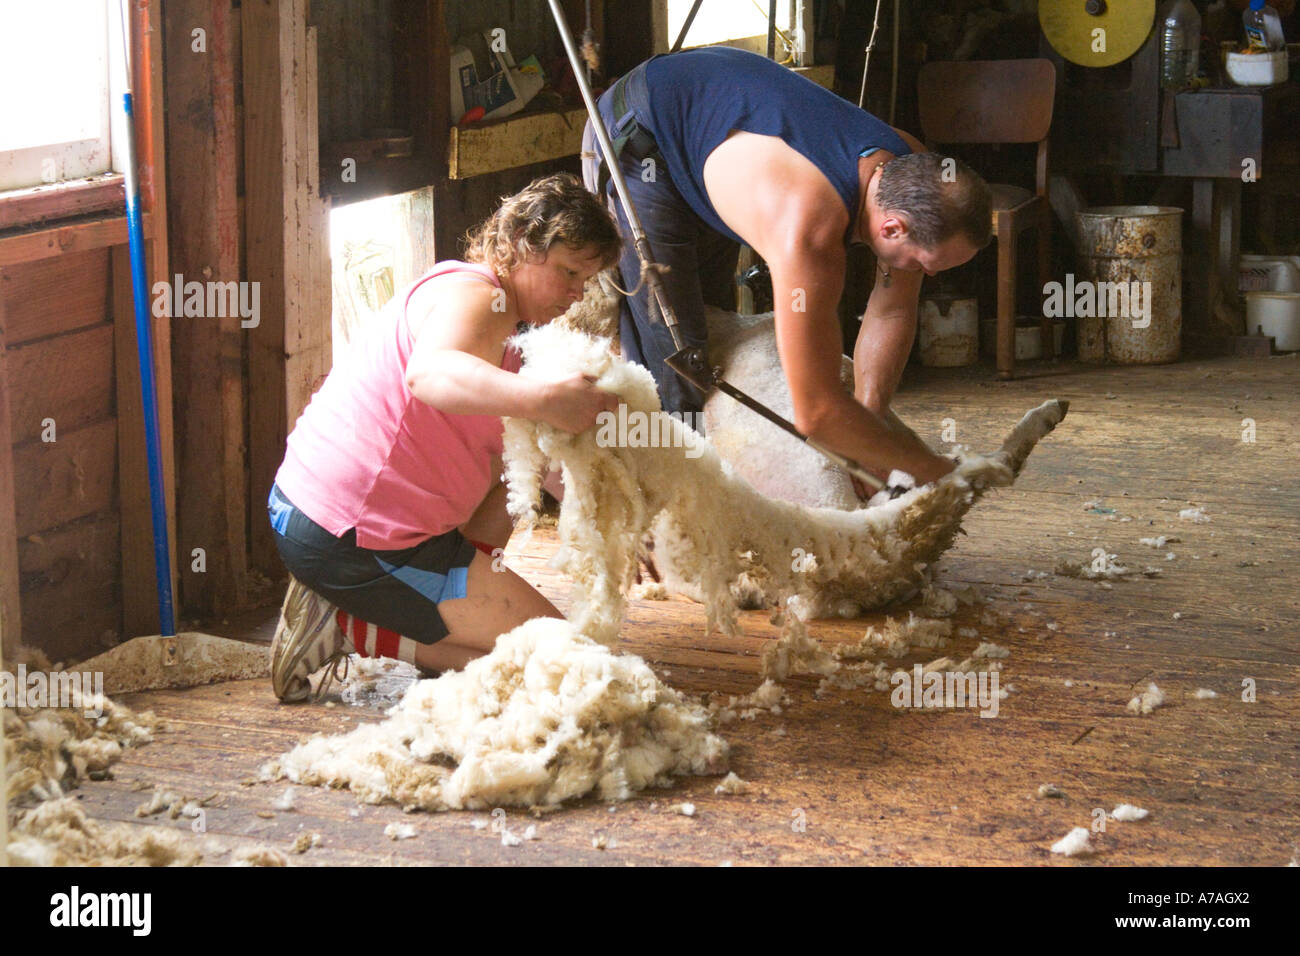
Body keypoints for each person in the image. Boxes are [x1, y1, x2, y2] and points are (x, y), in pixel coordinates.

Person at [266, 173, 620, 702]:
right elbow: (427, 374)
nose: (575, 295)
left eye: (585, 281)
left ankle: (419, 624)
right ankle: (346, 623)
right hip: (346, 532)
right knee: (565, 660)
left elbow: (540, 458)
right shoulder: (478, 298)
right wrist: (548, 399)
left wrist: (615, 523)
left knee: (530, 658)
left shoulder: (507, 333)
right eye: (569, 272)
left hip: (336, 516)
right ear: (522, 245)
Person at [582, 46, 993, 489]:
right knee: (681, 365)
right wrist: (935, 470)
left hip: (708, 120)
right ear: (892, 228)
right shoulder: (808, 231)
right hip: (637, 136)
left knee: (718, 341)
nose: (928, 276)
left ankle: (721, 498)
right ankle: (658, 521)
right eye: (927, 265)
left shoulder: (909, 171)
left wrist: (869, 431)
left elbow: (892, 310)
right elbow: (816, 414)